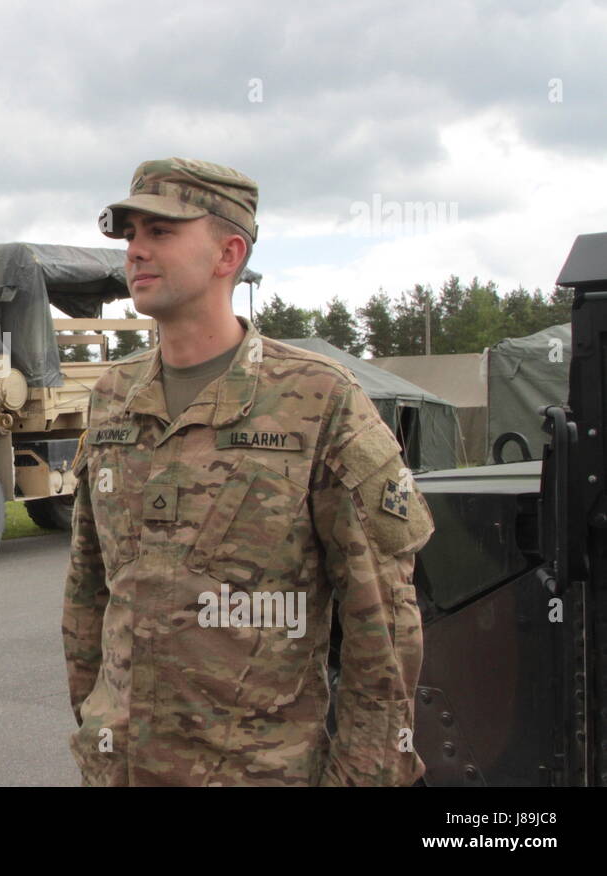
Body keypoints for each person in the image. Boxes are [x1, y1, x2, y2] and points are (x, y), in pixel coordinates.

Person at [62, 157, 433, 786]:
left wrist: (361, 777)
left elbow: (383, 625)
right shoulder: (113, 397)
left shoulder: (319, 400)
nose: (136, 253)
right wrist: (93, 724)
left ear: (228, 253)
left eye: (160, 232)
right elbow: (90, 587)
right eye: (129, 236)